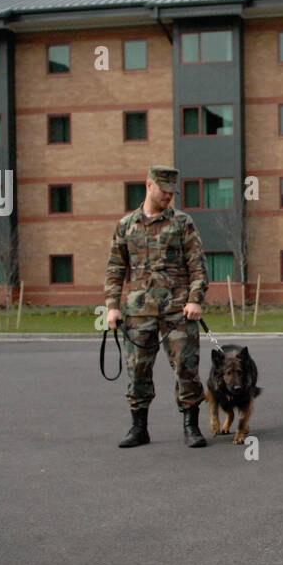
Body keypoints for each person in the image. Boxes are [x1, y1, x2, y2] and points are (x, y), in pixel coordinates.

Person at [105, 166, 210, 448]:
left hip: (178, 311)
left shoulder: (182, 222)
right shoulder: (126, 225)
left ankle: (191, 426)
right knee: (137, 370)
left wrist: (195, 299)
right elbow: (115, 267)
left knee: (186, 368)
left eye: (171, 192)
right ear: (149, 185)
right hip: (138, 312)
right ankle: (139, 427)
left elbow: (198, 266)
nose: (168, 197)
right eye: (164, 191)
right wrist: (112, 306)